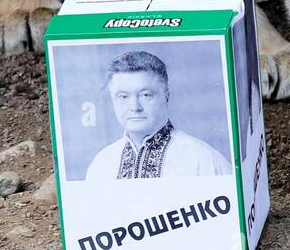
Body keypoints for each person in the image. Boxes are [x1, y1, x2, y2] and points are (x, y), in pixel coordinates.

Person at [85, 50, 232, 179]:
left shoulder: (204, 160)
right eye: (123, 96)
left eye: (146, 95)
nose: (135, 107)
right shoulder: (101, 165)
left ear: (166, 96)